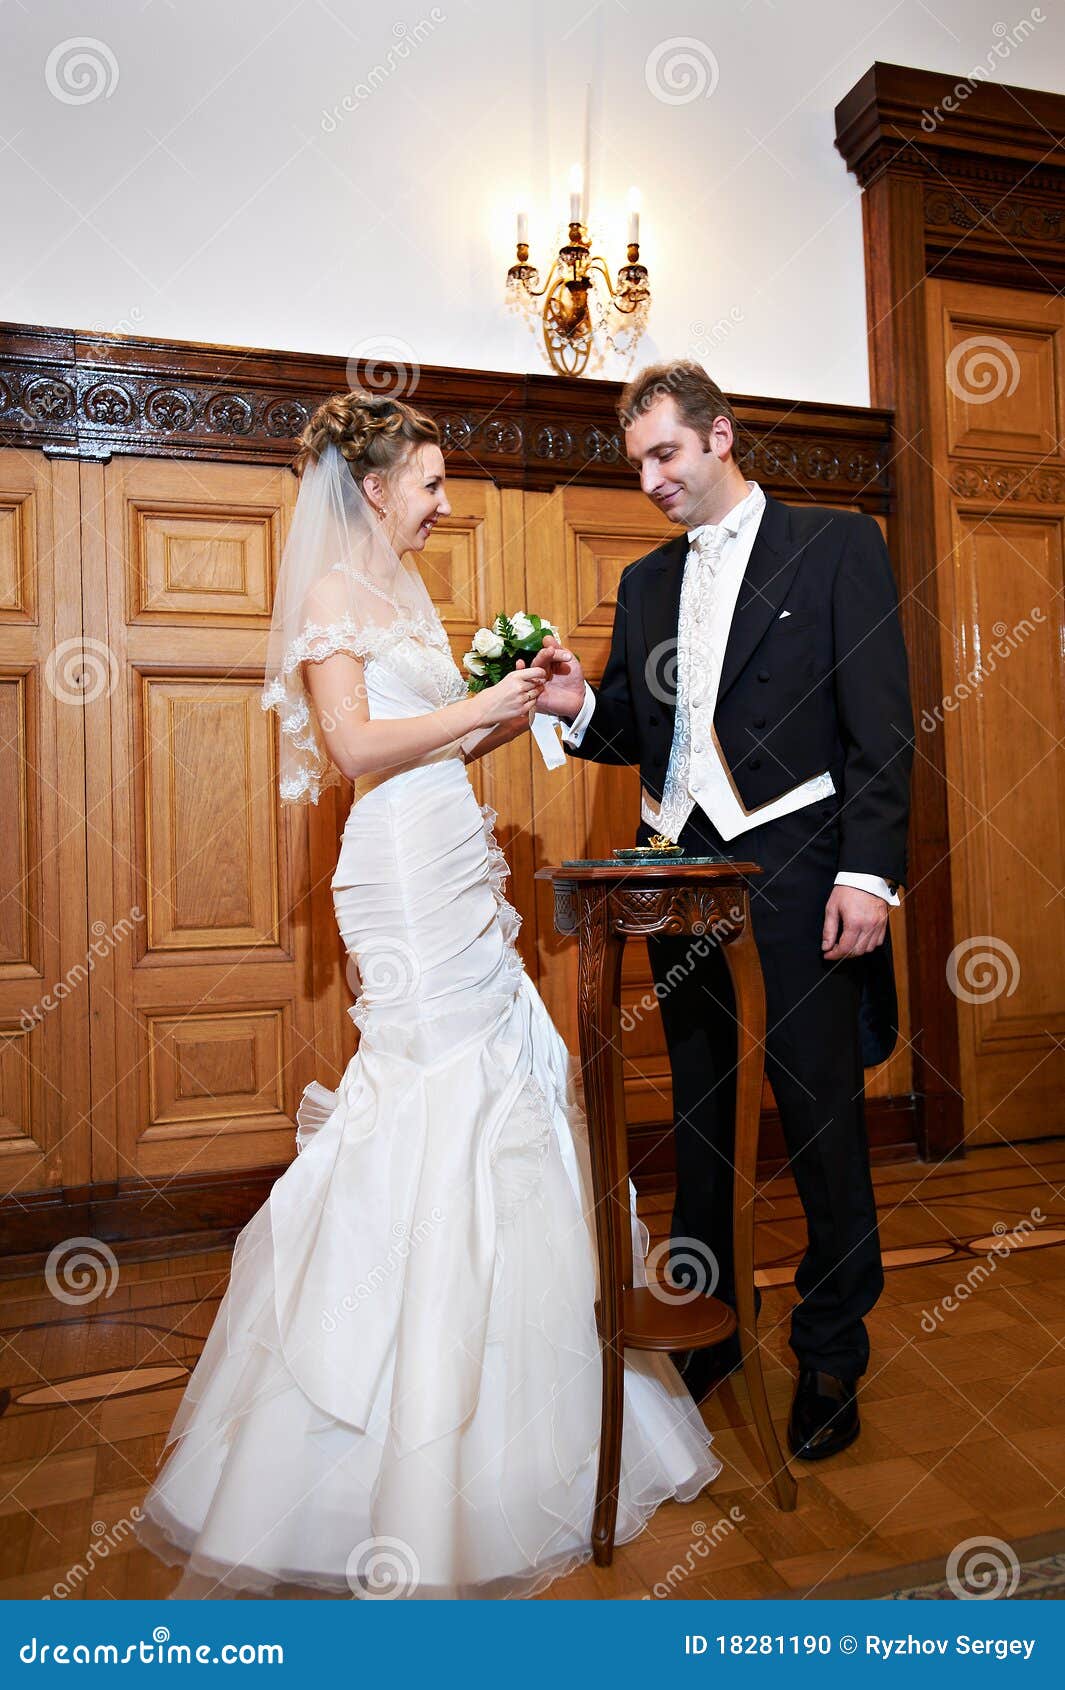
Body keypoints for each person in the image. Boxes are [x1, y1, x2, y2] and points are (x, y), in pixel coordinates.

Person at [132, 389, 721, 1600]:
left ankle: (527, 1414)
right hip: (399, 879)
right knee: (428, 1095)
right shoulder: (333, 599)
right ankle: (375, 1431)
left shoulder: (402, 596)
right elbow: (354, 749)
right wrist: (486, 701)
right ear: (377, 482)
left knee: (504, 1085)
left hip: (452, 859)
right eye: (433, 484)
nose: (444, 505)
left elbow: (437, 743)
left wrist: (522, 705)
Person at [534, 361, 914, 1463]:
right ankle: (713, 1328)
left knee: (821, 1122)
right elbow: (642, 733)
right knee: (701, 1120)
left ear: (720, 436)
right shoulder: (648, 584)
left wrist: (868, 873)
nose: (651, 479)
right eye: (638, 462)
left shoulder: (835, 545)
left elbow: (881, 725)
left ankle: (833, 1349)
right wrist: (575, 703)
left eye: (666, 454)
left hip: (800, 870)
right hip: (678, 878)